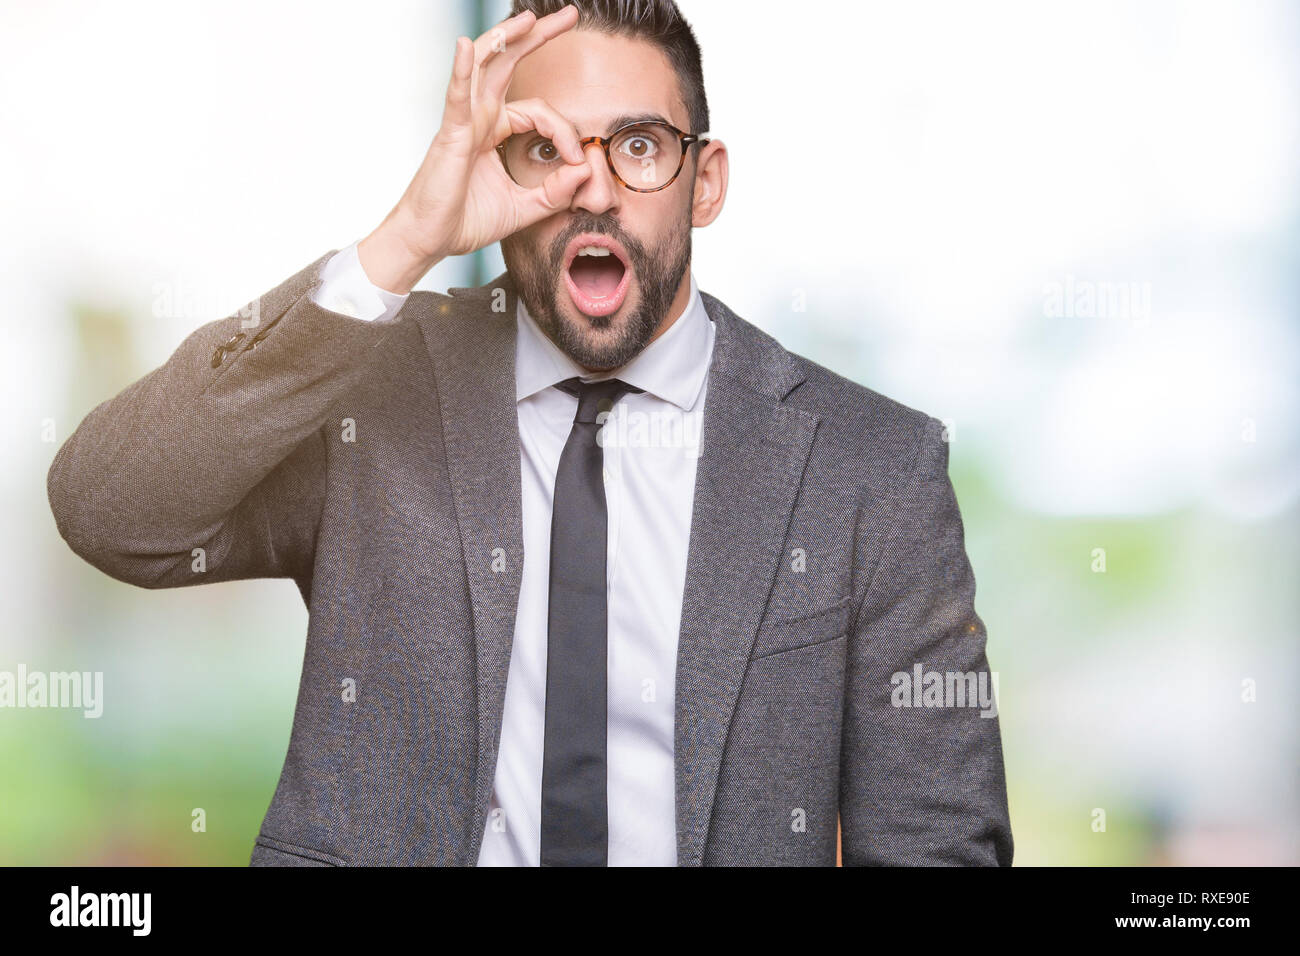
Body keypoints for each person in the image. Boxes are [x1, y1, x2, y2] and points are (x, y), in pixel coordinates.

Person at [46, 0, 1012, 866]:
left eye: (637, 145)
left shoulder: (871, 470)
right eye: (543, 150)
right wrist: (401, 245)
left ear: (704, 182)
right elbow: (112, 509)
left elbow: (937, 842)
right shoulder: (374, 389)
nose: (591, 192)